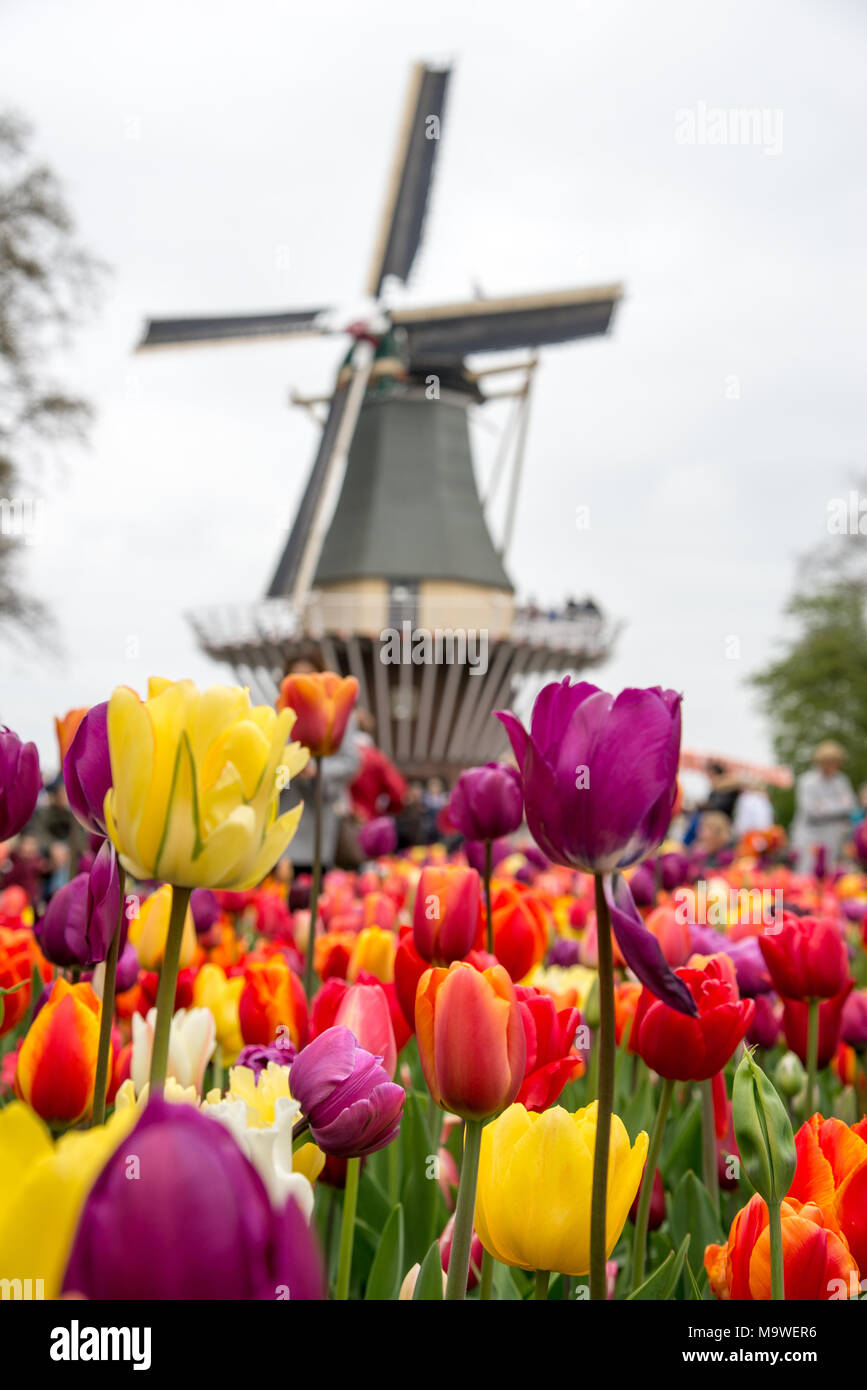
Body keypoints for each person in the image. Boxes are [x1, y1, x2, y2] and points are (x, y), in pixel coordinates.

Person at [278, 657, 360, 877]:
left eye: (309, 679)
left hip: (319, 814)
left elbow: (350, 762)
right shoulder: (280, 718)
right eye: (296, 679)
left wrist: (314, 769)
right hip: (284, 813)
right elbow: (276, 768)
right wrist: (287, 769)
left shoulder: (338, 715)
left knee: (313, 881)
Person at [790, 741, 857, 871]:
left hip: (834, 837)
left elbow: (851, 805)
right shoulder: (807, 781)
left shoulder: (841, 781)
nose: (833, 766)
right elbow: (811, 811)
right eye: (829, 762)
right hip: (809, 837)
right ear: (821, 762)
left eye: (836, 762)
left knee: (829, 874)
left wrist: (823, 805)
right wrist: (838, 805)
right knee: (806, 872)